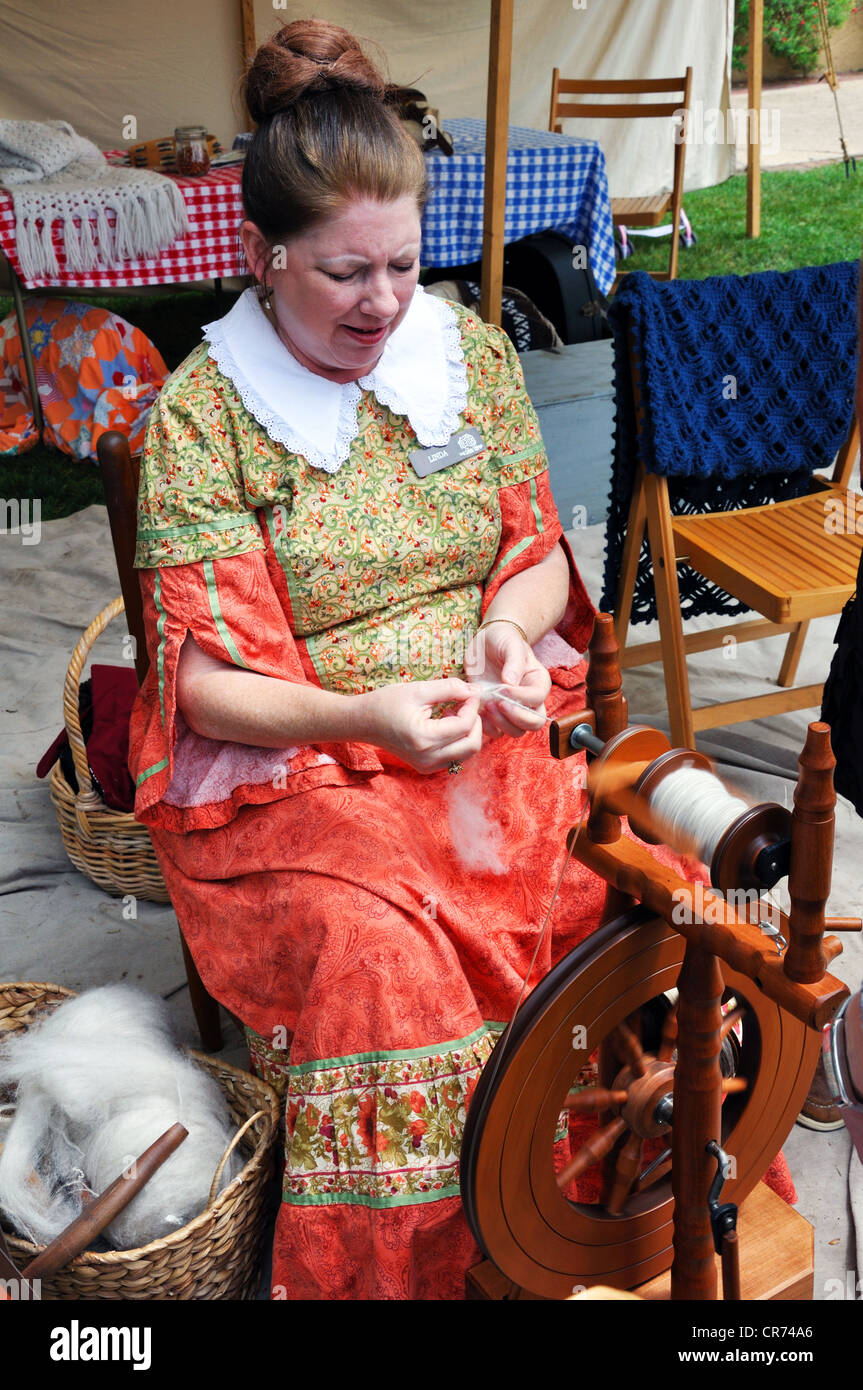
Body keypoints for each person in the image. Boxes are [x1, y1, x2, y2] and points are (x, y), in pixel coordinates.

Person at [128, 19, 624, 1299]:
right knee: (386, 959)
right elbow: (200, 684)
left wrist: (506, 639)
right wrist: (364, 717)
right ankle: (424, 1266)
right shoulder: (203, 413)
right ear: (263, 255)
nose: (384, 302)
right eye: (344, 273)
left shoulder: (467, 355)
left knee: (630, 869)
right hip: (291, 769)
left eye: (403, 264)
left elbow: (537, 560)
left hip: (476, 725)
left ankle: (604, 1209)